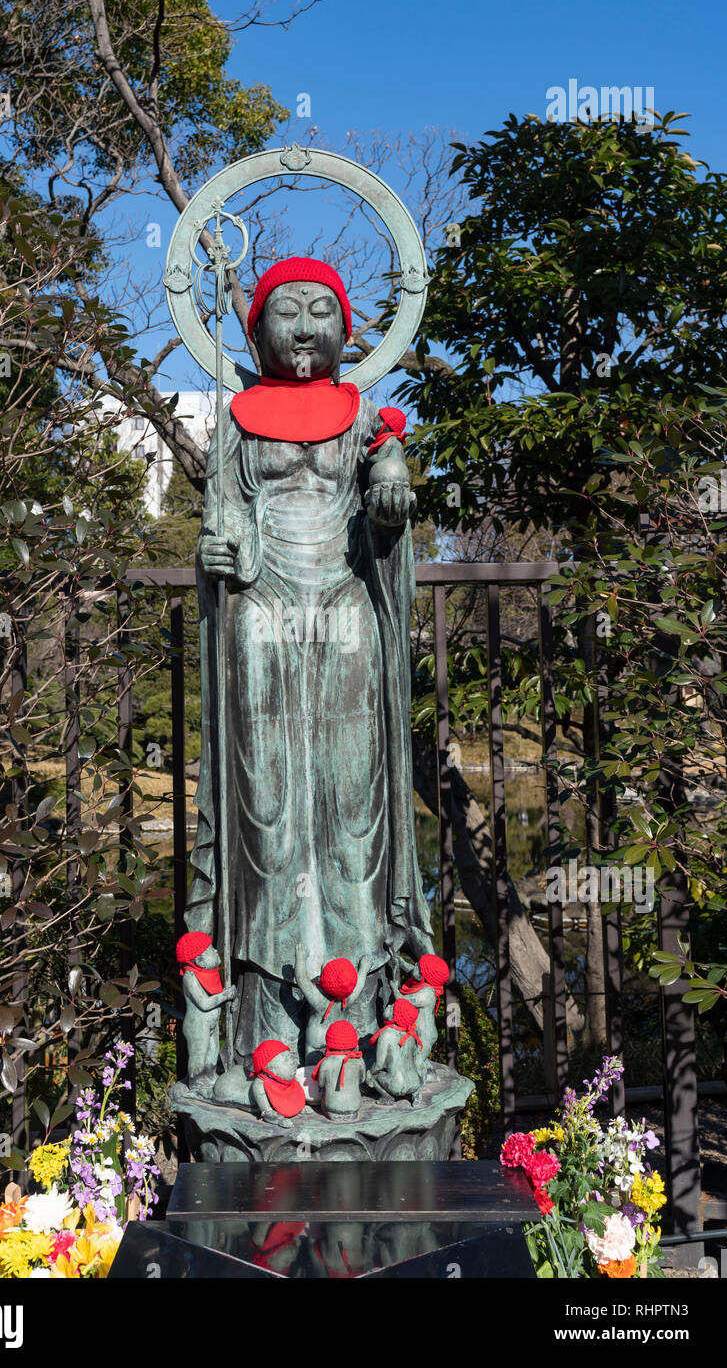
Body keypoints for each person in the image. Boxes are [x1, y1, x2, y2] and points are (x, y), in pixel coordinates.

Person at [186, 255, 433, 1067]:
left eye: (318, 309)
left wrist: (391, 493)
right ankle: (265, 1018)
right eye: (283, 311)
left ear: (347, 326)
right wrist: (215, 555)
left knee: (348, 794)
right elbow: (220, 519)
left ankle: (361, 1010)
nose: (300, 326)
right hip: (260, 602)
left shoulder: (362, 417)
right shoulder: (235, 421)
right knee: (266, 795)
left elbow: (383, 512)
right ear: (254, 329)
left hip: (344, 598)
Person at [177, 930, 236, 1096]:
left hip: (211, 1023)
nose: (216, 951)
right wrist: (225, 995)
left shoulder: (208, 975)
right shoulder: (190, 977)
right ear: (198, 959)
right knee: (199, 1055)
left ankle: (210, 1076)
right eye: (210, 949)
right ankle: (196, 1082)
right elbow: (204, 1003)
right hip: (197, 1024)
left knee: (212, 1053)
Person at [367, 998, 424, 1106]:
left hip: (396, 1085)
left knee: (370, 1075)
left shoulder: (386, 1034)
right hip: (415, 1082)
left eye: (392, 1007)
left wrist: (370, 1072)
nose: (388, 1007)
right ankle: (414, 1094)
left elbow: (379, 1064)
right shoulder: (411, 1034)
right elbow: (416, 1058)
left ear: (395, 1016)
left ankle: (387, 1097)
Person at [311, 1019, 365, 1122]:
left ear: (330, 1042)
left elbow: (321, 1084)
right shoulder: (358, 1060)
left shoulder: (326, 1062)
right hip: (355, 1106)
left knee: (324, 1093)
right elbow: (362, 1080)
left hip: (332, 1108)